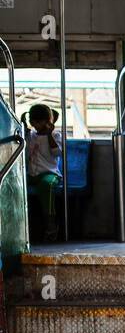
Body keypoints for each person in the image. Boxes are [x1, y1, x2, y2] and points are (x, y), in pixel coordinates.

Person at [24, 103, 62, 242]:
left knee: (47, 185)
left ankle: (51, 224)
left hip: (49, 173)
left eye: (39, 122)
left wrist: (48, 135)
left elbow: (57, 153)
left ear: (46, 122)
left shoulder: (55, 135)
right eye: (33, 122)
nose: (35, 125)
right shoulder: (31, 135)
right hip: (32, 173)